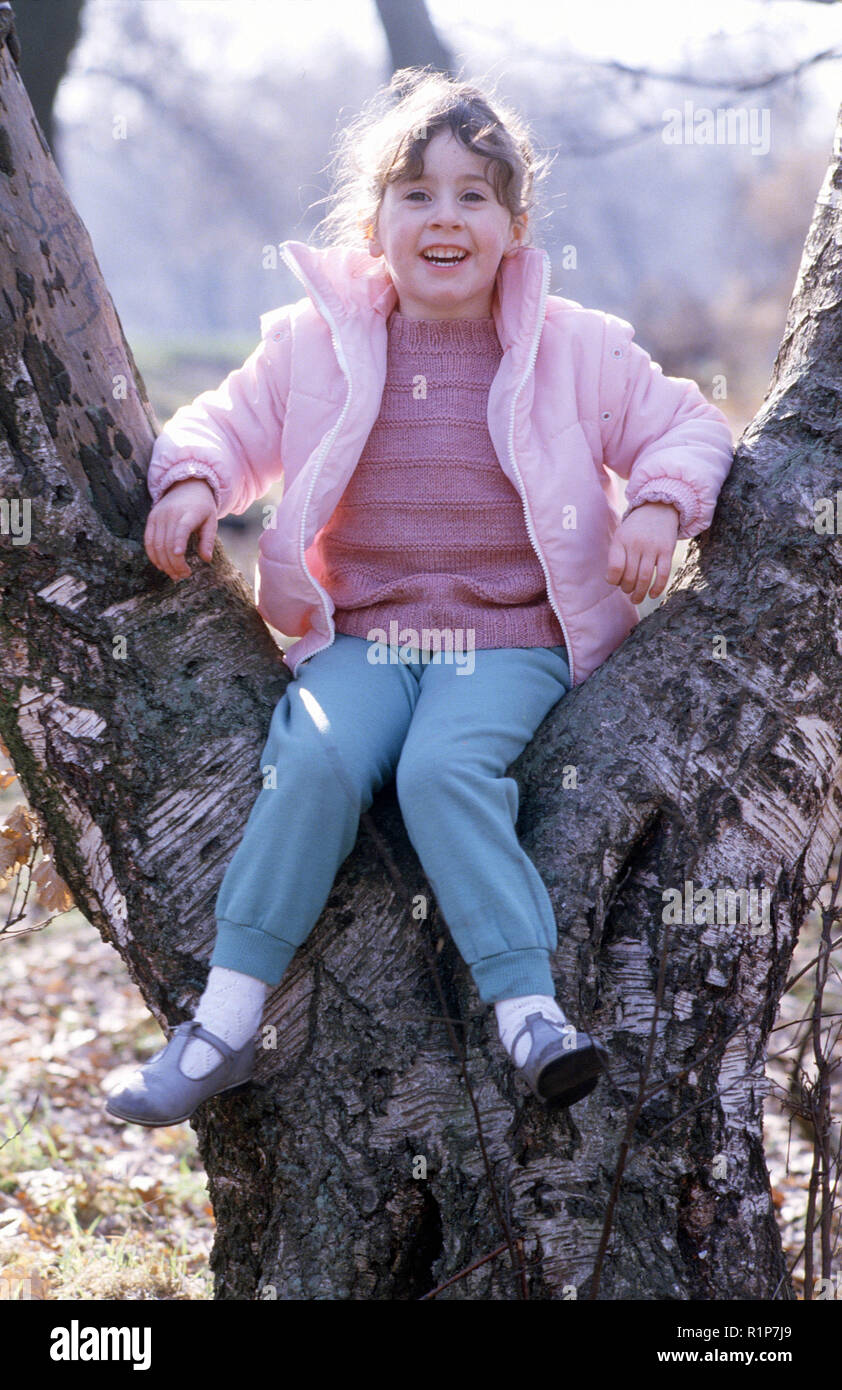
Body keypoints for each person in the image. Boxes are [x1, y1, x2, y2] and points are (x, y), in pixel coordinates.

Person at [105, 67, 733, 1127]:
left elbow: (688, 427)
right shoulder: (314, 342)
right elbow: (223, 421)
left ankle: (529, 1014)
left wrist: (657, 509)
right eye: (416, 194)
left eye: (473, 195)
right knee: (310, 757)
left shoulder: (574, 348)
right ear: (372, 223)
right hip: (360, 641)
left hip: (510, 642)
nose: (444, 216)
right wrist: (195, 481)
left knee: (446, 770)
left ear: (515, 227)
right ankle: (222, 1020)